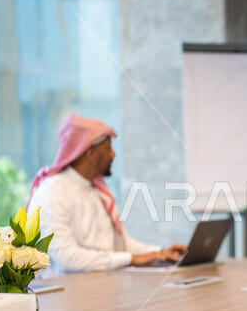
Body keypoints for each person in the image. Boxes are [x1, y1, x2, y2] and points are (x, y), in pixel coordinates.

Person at [27, 114, 186, 274]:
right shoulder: (52, 193)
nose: (113, 154)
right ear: (90, 154)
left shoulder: (96, 190)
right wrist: (130, 258)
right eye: (108, 148)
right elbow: (67, 258)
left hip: (104, 284)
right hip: (69, 293)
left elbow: (120, 244)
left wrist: (161, 252)